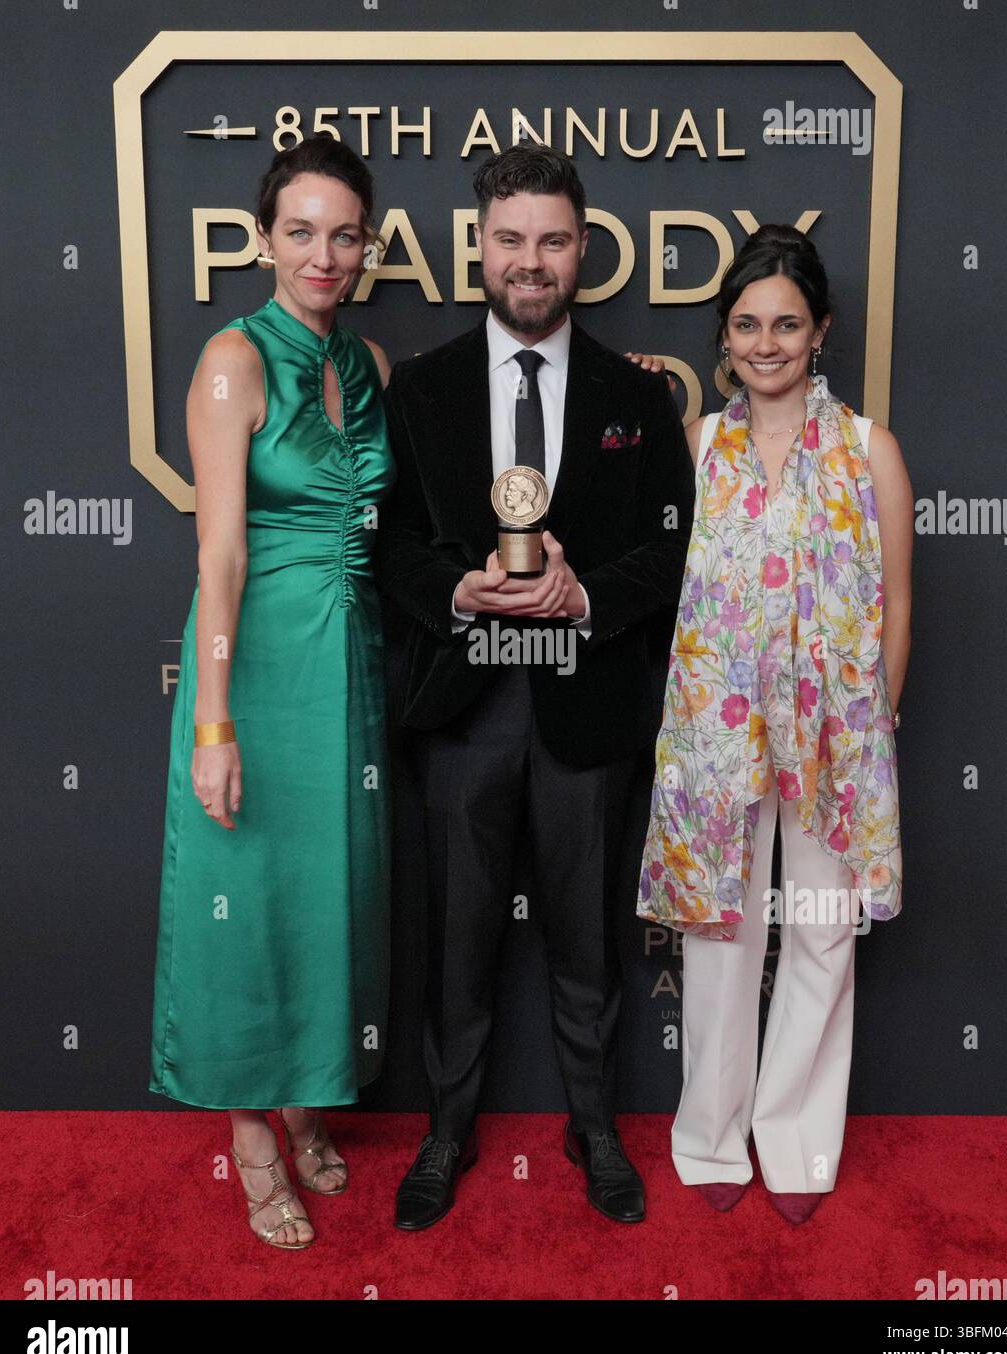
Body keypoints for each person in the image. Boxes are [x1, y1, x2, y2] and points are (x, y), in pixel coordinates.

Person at [374, 144, 695, 1230]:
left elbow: (666, 551)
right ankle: (447, 1130)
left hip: (584, 704)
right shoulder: (415, 389)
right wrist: (460, 590)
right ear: (478, 245)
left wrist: (581, 598)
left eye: (551, 240)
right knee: (456, 938)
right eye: (509, 239)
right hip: (464, 707)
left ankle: (592, 1124)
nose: (529, 260)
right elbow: (388, 544)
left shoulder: (636, 397)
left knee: (587, 936)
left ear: (581, 249)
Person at [637, 225, 913, 1224]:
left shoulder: (866, 447)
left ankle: (795, 1141)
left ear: (819, 331)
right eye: (747, 324)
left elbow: (894, 609)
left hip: (835, 735)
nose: (766, 343)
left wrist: (871, 729)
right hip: (715, 731)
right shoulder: (697, 446)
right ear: (723, 337)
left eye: (786, 324)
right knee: (718, 927)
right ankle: (708, 1138)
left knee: (818, 931)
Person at [149, 136, 395, 1249]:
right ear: (262, 240)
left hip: (346, 667)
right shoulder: (230, 359)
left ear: (366, 246)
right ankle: (251, 1136)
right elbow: (220, 557)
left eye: (343, 233)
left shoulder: (370, 366)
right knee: (242, 902)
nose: (323, 253)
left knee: (322, 896)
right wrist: (212, 721)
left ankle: (303, 1102)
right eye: (300, 230)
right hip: (253, 664)